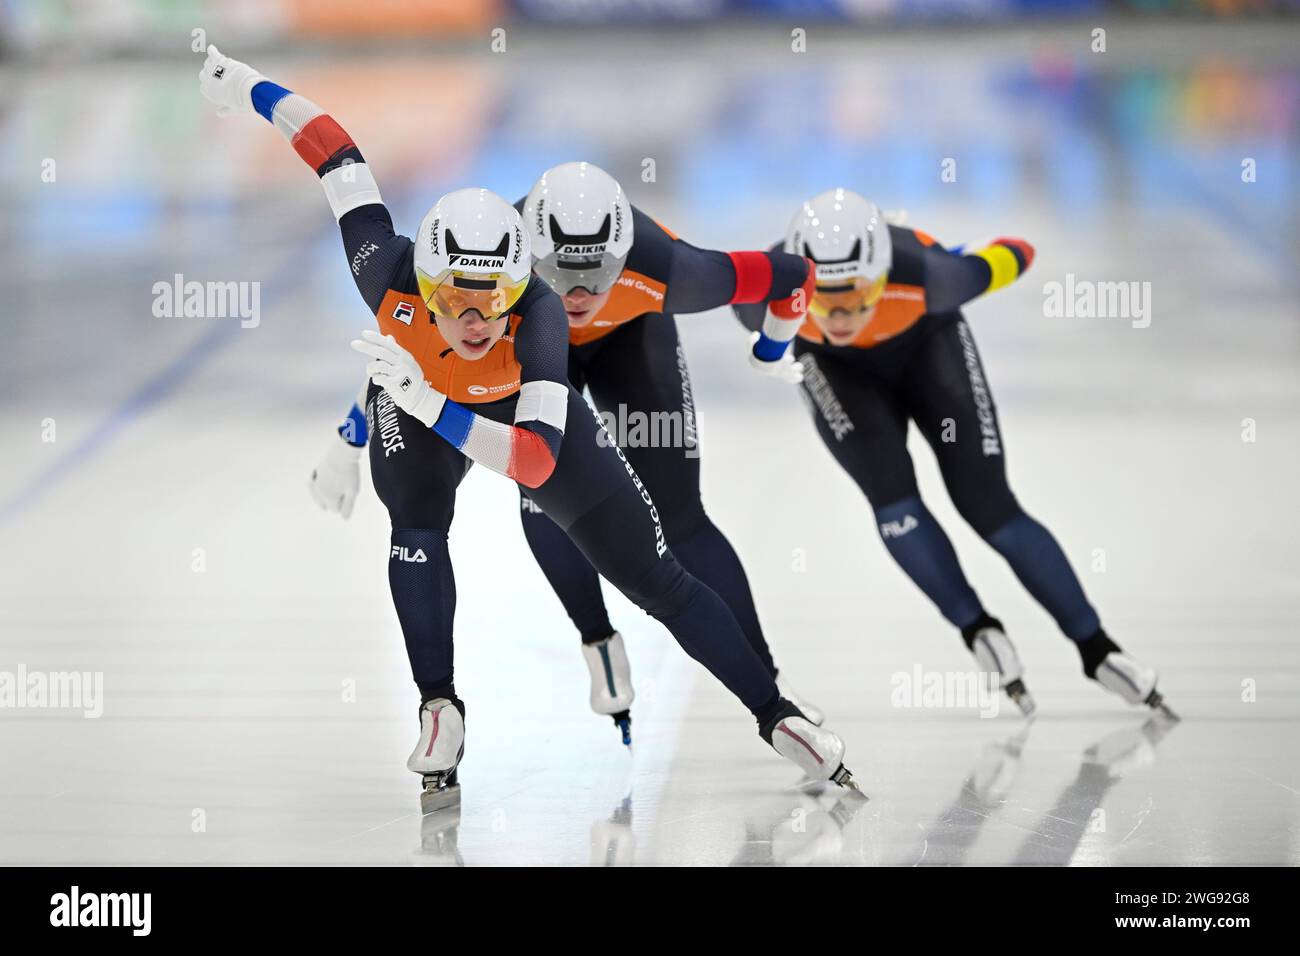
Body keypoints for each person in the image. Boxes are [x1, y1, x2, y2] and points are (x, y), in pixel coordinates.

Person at [197, 45, 859, 812]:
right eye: (460, 301)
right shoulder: (382, 267)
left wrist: (429, 402)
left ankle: (775, 713)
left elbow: (537, 461)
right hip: (418, 406)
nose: (478, 320)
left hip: (491, 409)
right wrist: (247, 85)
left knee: (653, 574)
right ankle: (438, 703)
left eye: (496, 300)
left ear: (521, 280)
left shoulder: (541, 311)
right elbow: (336, 154)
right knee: (414, 523)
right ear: (425, 282)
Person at [314, 161, 825, 744]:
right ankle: (597, 637)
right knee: (541, 495)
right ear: (520, 262)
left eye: (599, 275)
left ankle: (767, 681)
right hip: (522, 353)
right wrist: (352, 434)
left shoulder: (668, 269)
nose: (578, 294)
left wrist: (772, 347)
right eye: (557, 273)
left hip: (627, 345)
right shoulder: (487, 256)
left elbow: (792, 277)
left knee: (679, 517)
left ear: (625, 258)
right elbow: (410, 351)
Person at [734, 187, 1175, 719]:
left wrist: (967, 252)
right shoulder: (762, 296)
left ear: (883, 275)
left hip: (929, 347)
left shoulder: (934, 274)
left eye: (855, 296)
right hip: (836, 373)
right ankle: (977, 627)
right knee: (893, 502)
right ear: (802, 290)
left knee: (990, 507)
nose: (842, 315)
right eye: (824, 300)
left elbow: (1018, 251)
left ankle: (1097, 646)